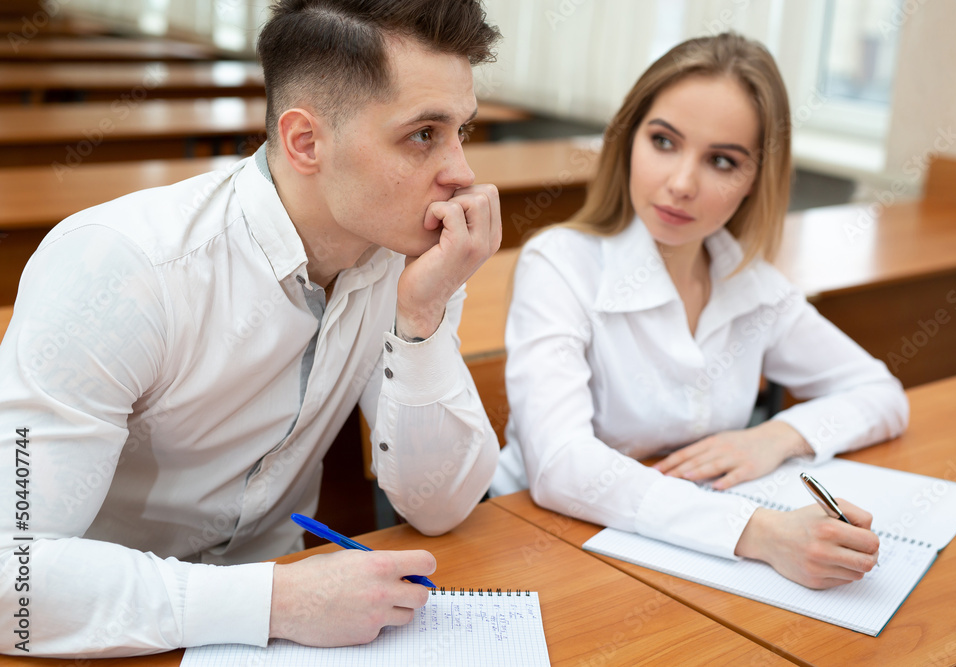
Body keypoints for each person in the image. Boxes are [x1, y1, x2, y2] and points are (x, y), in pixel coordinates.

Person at [0, 0, 502, 657]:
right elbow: (17, 577)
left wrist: (423, 319)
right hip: (112, 634)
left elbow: (440, 505)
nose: (462, 173)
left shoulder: (404, 263)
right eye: (423, 135)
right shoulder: (119, 268)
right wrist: (278, 600)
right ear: (305, 141)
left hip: (293, 633)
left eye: (463, 130)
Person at [490, 33, 909, 590]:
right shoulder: (560, 264)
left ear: (755, 178)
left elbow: (881, 395)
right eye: (663, 141)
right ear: (629, 139)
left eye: (721, 160)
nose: (681, 184)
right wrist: (759, 533)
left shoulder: (753, 285)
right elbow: (559, 467)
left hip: (677, 552)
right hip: (539, 540)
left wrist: (776, 437)